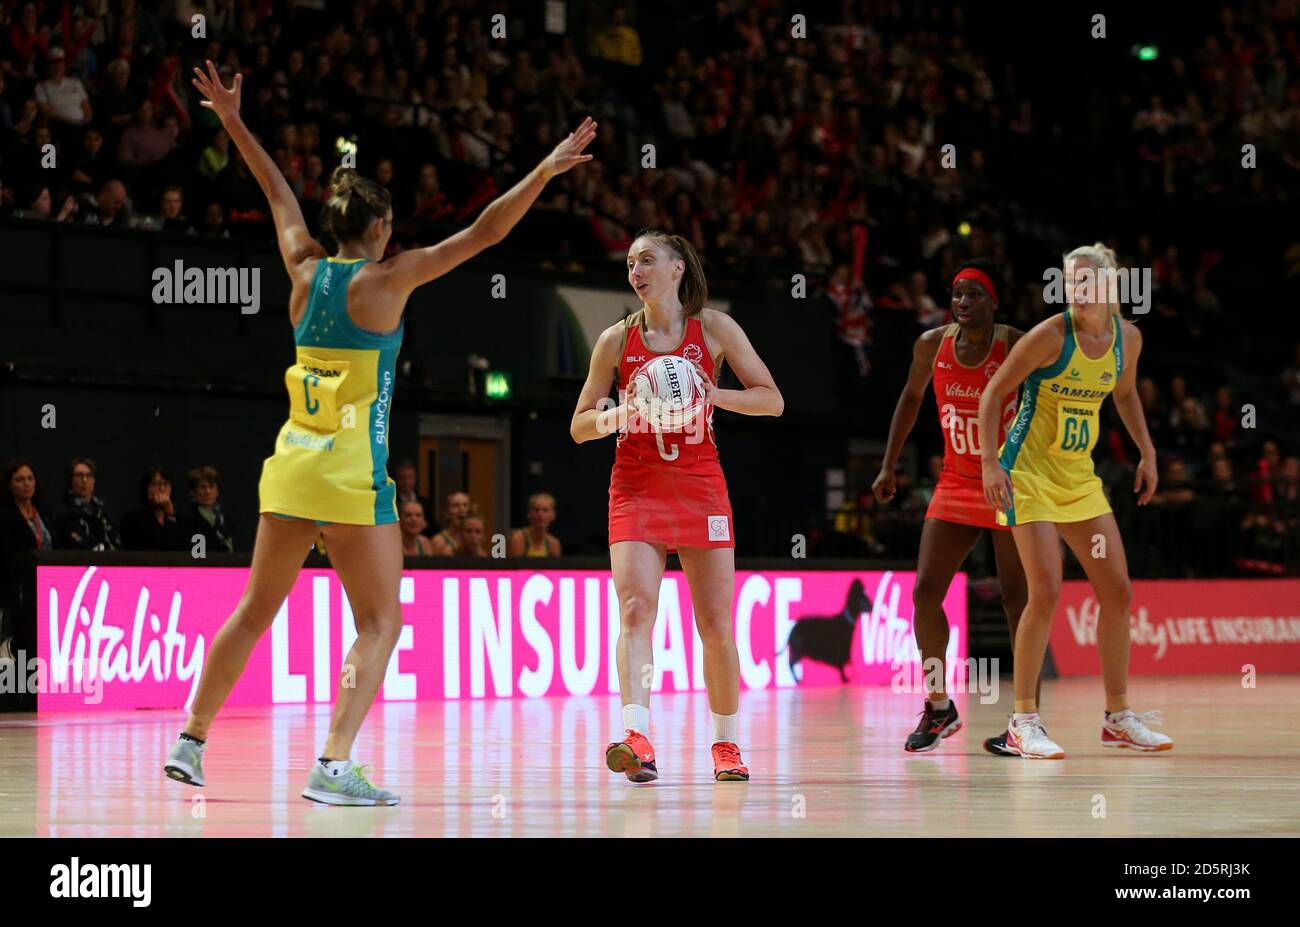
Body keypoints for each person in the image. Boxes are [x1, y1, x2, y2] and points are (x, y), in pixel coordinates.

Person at [163, 60, 596, 805]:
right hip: (350, 478)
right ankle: (332, 764)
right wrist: (546, 170)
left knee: (253, 611)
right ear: (379, 229)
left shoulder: (303, 269)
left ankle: (190, 739)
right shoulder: (390, 280)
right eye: (391, 223)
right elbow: (485, 231)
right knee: (381, 620)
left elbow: (277, 192)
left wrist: (232, 121)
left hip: (290, 465)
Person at [571, 229, 784, 783]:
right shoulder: (615, 340)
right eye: (629, 263)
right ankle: (637, 737)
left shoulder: (713, 328)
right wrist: (620, 414)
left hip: (699, 484)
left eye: (647, 260)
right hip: (636, 484)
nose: (635, 272)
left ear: (677, 268)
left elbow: (772, 401)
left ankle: (726, 745)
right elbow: (579, 426)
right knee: (635, 610)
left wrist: (714, 395)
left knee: (714, 623)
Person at [978, 242, 1173, 758]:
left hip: (1078, 479)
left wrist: (1147, 452)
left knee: (1118, 592)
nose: (1076, 290)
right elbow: (992, 394)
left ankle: (1117, 718)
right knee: (1045, 591)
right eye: (1070, 281)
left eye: (1086, 281)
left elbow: (1125, 394)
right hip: (1027, 475)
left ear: (1110, 285)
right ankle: (1022, 722)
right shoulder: (1049, 336)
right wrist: (990, 463)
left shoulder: (1127, 339)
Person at [872, 260, 1030, 754]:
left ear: (994, 302)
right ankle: (939, 706)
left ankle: (1025, 718)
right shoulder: (930, 345)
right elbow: (910, 398)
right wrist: (889, 464)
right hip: (957, 481)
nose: (963, 302)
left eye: (974, 294)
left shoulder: (1015, 344)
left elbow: (1041, 404)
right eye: (957, 294)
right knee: (924, 593)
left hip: (1008, 482)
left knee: (1017, 599)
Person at [54, 457, 122, 550]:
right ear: (70, 480)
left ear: (94, 481)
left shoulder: (102, 512)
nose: (85, 480)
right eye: (79, 475)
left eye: (89, 475)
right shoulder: (63, 513)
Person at [120, 467, 194, 551]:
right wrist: (170, 516)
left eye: (166, 484)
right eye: (156, 484)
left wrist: (170, 515)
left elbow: (185, 548)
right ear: (146, 489)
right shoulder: (134, 517)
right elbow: (161, 546)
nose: (162, 489)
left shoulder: (181, 519)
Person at [187, 466, 234, 552]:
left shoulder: (226, 519)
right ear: (193, 492)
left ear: (217, 491)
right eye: (202, 487)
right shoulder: (187, 519)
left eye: (211, 486)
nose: (208, 491)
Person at [507, 492, 562, 557]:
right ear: (529, 514)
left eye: (545, 510)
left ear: (553, 514)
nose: (541, 515)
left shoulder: (554, 544)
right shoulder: (517, 539)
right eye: (536, 510)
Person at [429, 491, 471, 555]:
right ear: (447, 513)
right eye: (456, 505)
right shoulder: (438, 541)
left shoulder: (473, 538)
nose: (462, 509)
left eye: (465, 505)